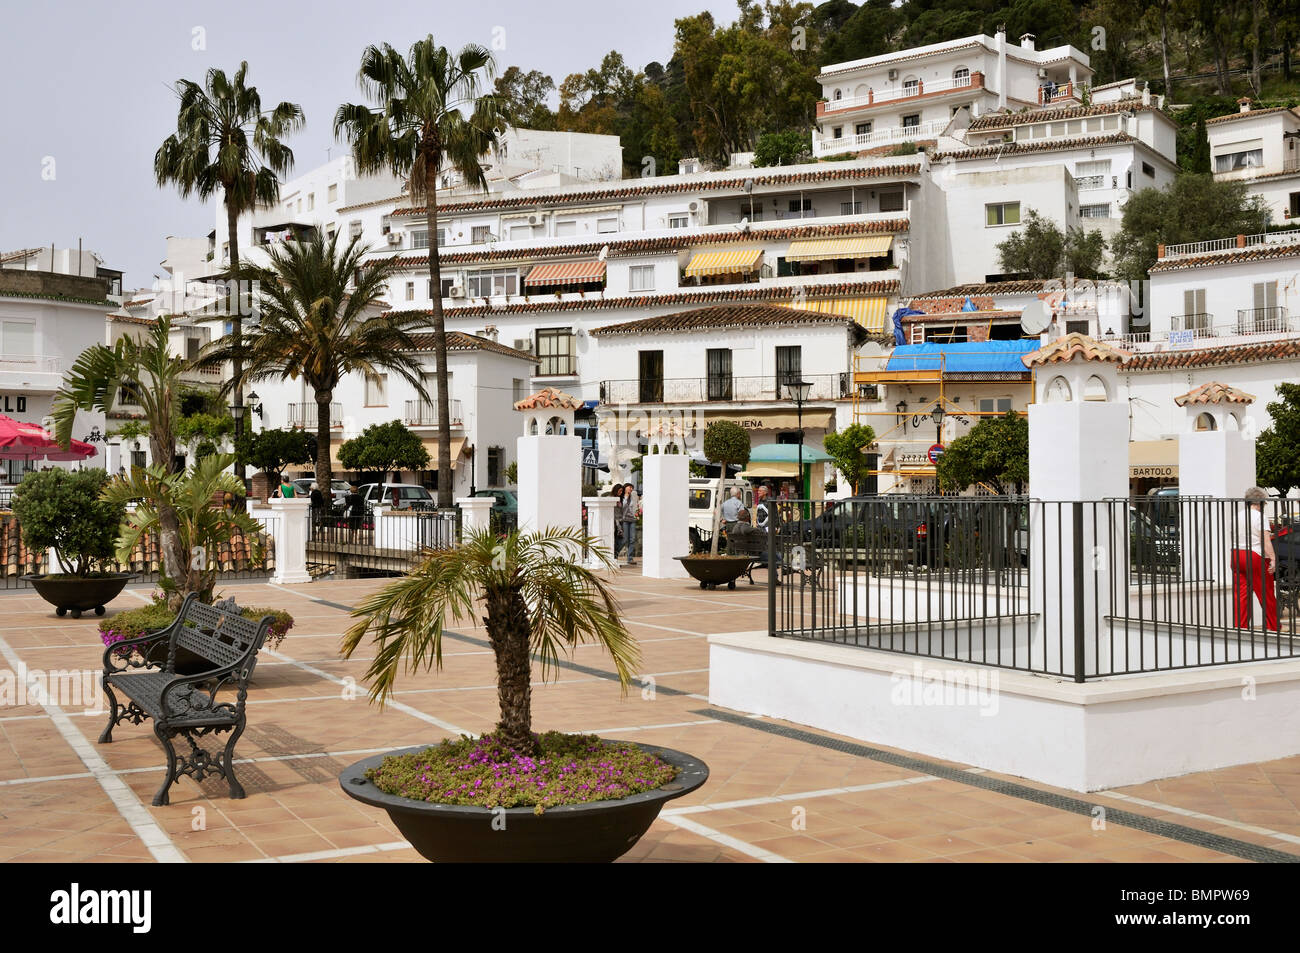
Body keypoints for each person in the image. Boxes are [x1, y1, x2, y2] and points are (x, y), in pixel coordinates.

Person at [1231, 486, 1279, 631]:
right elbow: (1265, 540)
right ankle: (1273, 626)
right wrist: (1273, 558)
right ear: (1259, 502)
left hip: (1236, 554)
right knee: (1266, 592)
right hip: (1254, 554)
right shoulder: (1260, 517)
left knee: (1241, 594)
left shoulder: (1237, 515)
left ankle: (1241, 626)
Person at [620, 482, 639, 566]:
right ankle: (615, 555)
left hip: (632, 520)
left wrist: (636, 514)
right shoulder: (622, 497)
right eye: (629, 487)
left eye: (632, 488)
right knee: (625, 539)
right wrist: (626, 497)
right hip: (624, 520)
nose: (631, 489)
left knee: (632, 539)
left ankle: (630, 558)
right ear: (625, 488)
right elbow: (623, 506)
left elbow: (634, 507)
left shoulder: (633, 497)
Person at [611, 484, 626, 556]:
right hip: (614, 522)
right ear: (615, 490)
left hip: (621, 521)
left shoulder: (621, 499)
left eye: (621, 491)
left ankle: (616, 552)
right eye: (619, 491)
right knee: (613, 539)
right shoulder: (610, 498)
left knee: (624, 539)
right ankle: (614, 555)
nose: (620, 492)